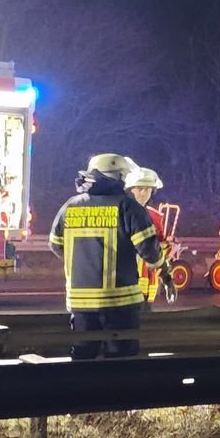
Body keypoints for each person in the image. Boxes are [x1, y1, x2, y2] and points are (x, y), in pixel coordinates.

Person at [48, 153, 162, 359]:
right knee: (120, 362)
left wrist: (83, 260)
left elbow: (56, 245)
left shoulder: (70, 207)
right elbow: (150, 251)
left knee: (84, 359)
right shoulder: (128, 207)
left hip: (81, 305)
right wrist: (163, 267)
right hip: (120, 304)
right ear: (118, 177)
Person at [126, 165, 175, 304]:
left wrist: (167, 277)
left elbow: (160, 250)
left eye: (147, 189)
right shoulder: (121, 213)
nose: (143, 193)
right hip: (126, 284)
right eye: (139, 189)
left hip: (148, 286)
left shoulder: (155, 217)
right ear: (130, 189)